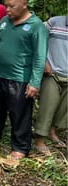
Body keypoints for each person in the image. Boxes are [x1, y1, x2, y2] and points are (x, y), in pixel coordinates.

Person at [0, 0, 48, 164]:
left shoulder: (36, 26)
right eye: (6, 5)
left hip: (19, 78)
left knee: (19, 113)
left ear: (24, 5)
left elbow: (40, 56)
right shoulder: (4, 22)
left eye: (12, 6)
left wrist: (34, 82)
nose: (7, 9)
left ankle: (20, 147)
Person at [32, 14, 67, 154]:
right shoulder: (54, 22)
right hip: (52, 73)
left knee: (64, 108)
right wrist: (44, 61)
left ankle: (53, 132)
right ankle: (39, 139)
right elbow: (37, 38)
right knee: (48, 105)